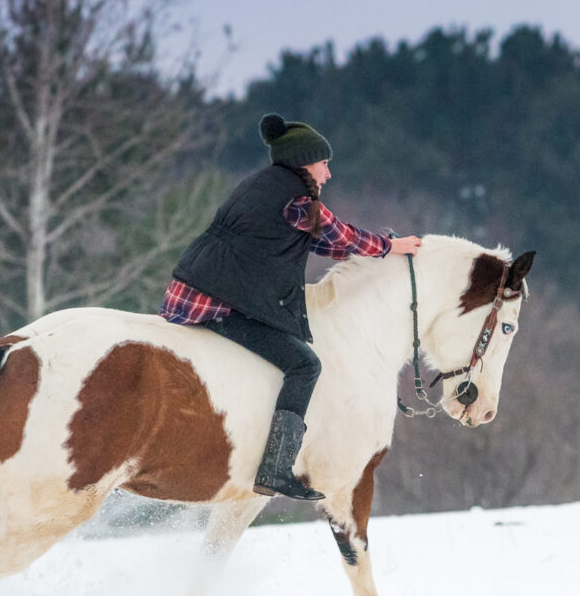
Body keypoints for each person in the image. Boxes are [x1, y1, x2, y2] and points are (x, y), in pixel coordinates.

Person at [160, 113, 422, 501]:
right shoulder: (296, 199)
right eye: (323, 163)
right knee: (304, 364)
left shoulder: (262, 186)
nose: (328, 174)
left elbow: (319, 241)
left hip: (192, 291)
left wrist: (372, 252)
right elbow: (340, 234)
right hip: (215, 302)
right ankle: (276, 468)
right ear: (304, 162)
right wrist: (391, 247)